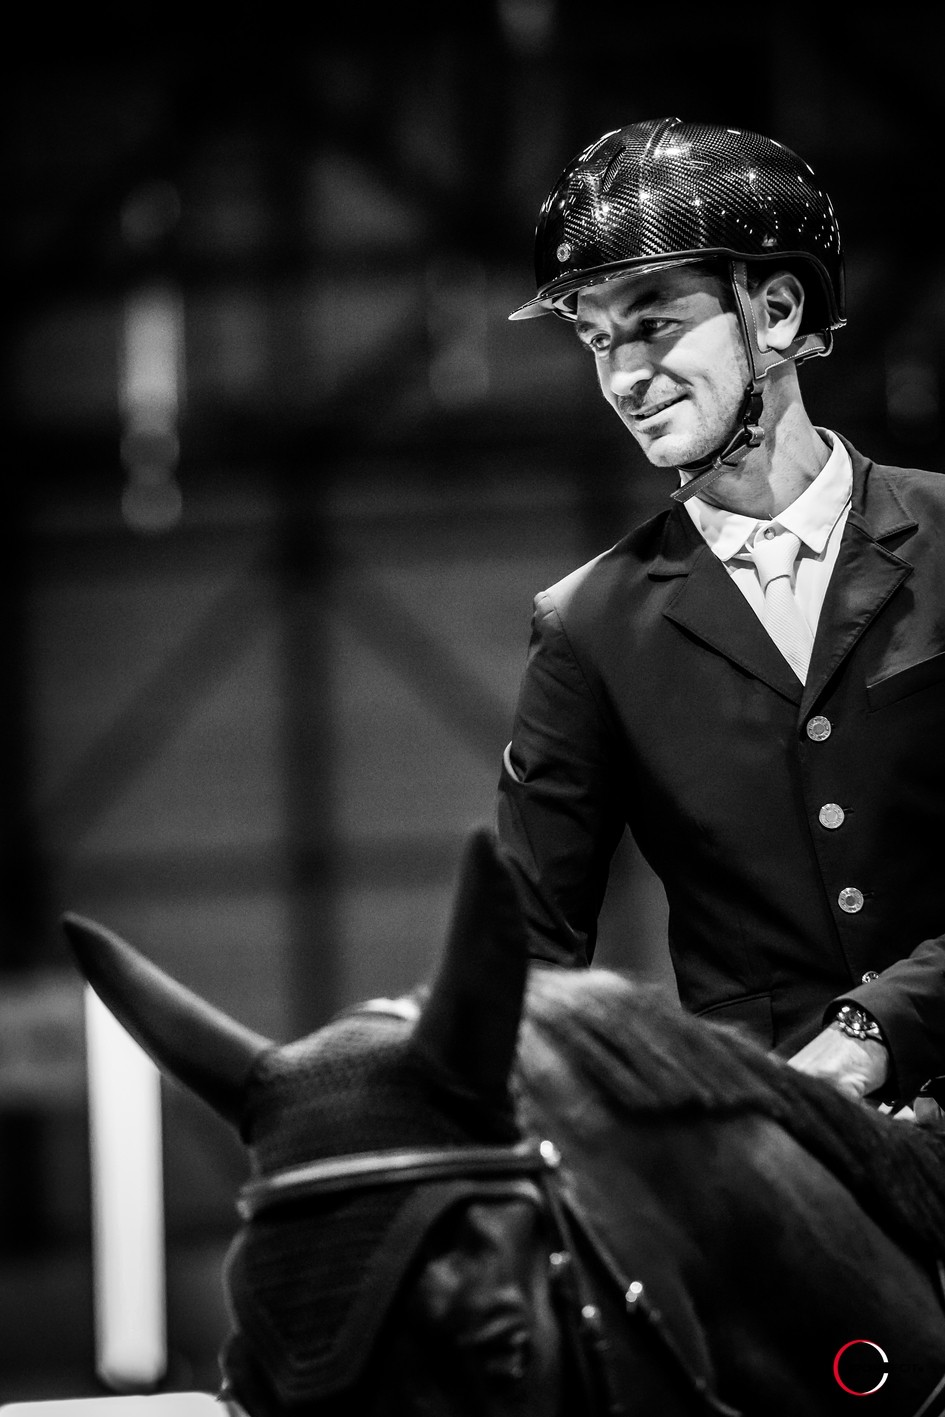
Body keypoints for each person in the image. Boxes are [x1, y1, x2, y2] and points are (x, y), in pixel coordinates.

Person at [496, 116, 945, 1112]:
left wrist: (878, 1031)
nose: (622, 378)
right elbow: (528, 956)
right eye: (597, 338)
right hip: (771, 1170)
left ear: (777, 311)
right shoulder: (586, 628)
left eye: (653, 324)